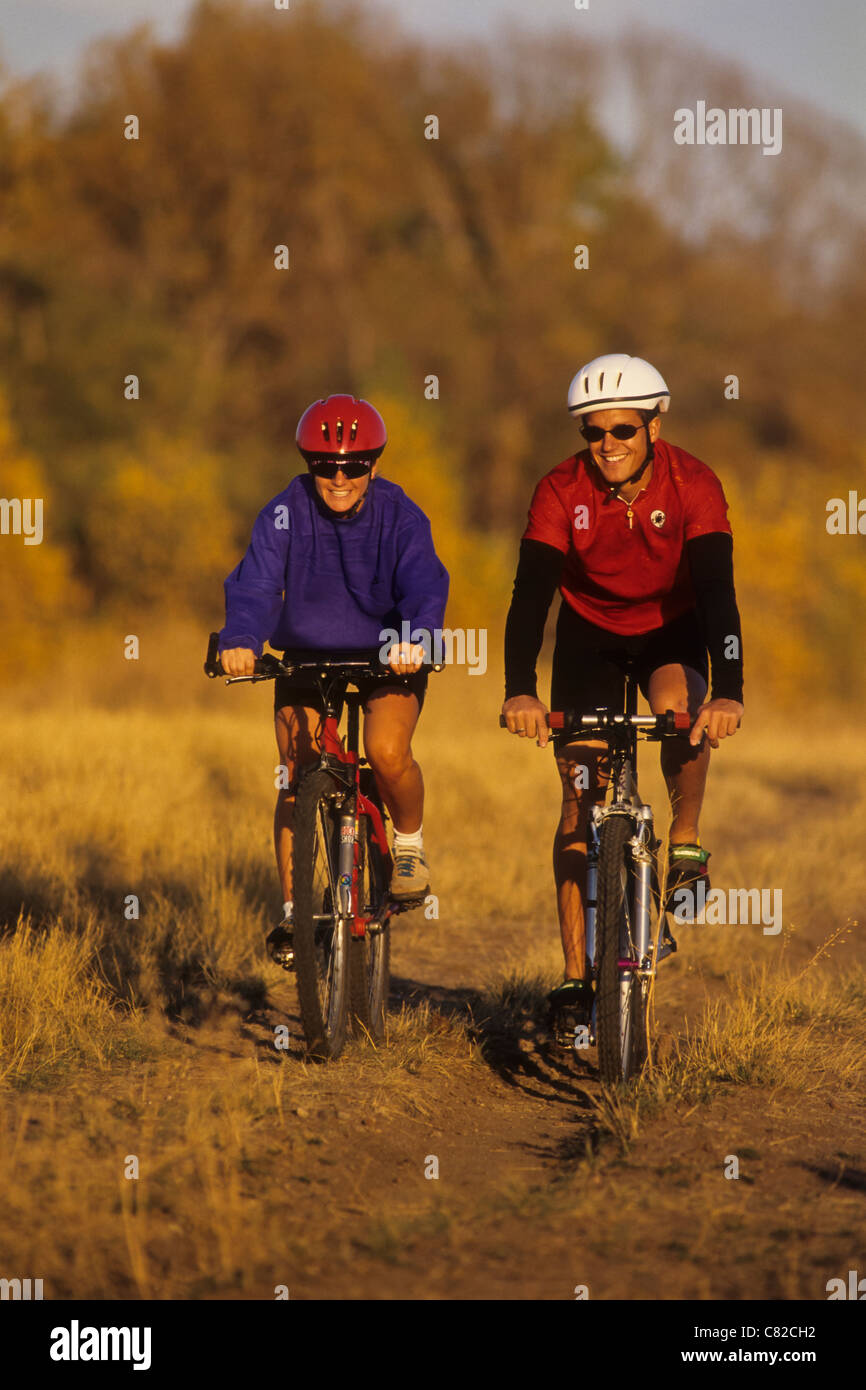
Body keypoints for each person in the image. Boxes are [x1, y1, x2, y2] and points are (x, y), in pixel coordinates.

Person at [501, 354, 744, 1035]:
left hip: (672, 628)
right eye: (593, 433)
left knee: (680, 716)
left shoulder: (694, 483)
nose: (606, 446)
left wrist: (729, 692)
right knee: (579, 799)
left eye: (622, 431)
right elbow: (530, 599)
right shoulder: (559, 489)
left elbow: (720, 597)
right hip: (589, 633)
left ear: (654, 426)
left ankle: (687, 845)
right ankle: (579, 975)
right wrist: (520, 689)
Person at [218, 394, 448, 965]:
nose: (339, 477)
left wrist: (417, 639)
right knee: (297, 774)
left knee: (386, 751)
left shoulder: (400, 514)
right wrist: (242, 640)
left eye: (354, 465)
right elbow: (255, 586)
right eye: (325, 465)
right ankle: (297, 913)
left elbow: (424, 584)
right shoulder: (283, 512)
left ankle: (410, 846)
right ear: (308, 463)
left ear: (374, 463)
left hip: (387, 657)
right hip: (304, 657)